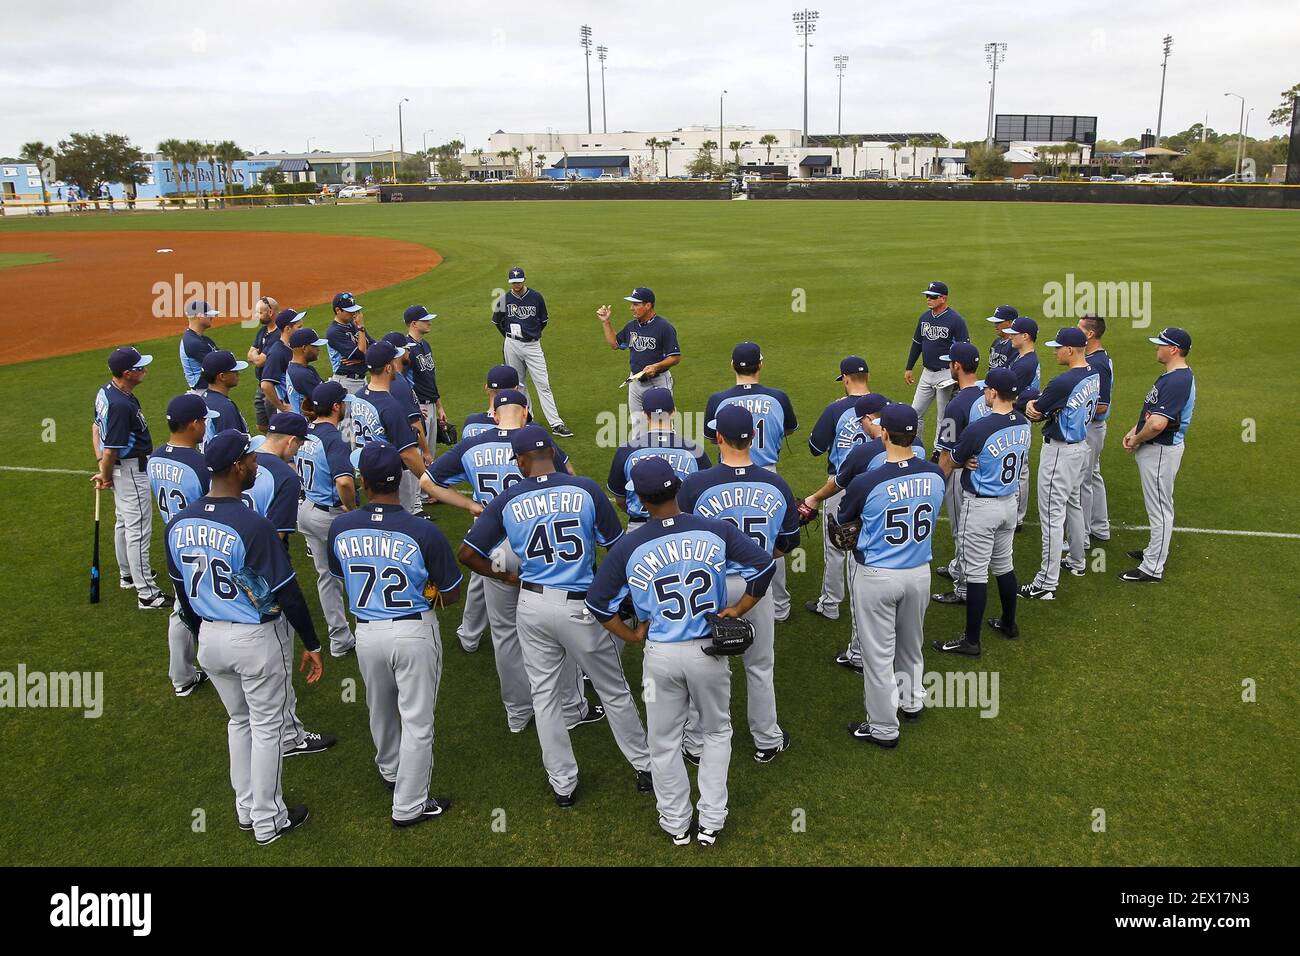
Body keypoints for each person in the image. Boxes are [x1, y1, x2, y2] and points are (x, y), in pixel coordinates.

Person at [586, 458, 776, 847]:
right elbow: (762, 566)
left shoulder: (628, 546)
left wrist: (632, 635)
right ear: (678, 489)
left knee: (664, 740)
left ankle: (675, 823)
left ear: (639, 498)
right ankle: (711, 821)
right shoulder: (714, 528)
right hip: (709, 650)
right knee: (717, 730)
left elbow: (599, 604)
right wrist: (738, 610)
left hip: (660, 656)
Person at [460, 425, 651, 807]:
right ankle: (645, 766)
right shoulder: (585, 488)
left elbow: (467, 554)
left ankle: (563, 785)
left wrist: (508, 576)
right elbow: (617, 548)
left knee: (544, 696)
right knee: (613, 689)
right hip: (580, 605)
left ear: (520, 461)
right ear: (552, 451)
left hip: (531, 606)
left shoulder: (508, 498)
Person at [166, 430, 325, 845]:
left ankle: (246, 807)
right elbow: (287, 590)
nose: (256, 465)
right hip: (254, 637)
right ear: (237, 467)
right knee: (268, 727)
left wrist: (203, 632)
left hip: (210, 639)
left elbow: (182, 592)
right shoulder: (251, 523)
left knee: (240, 722)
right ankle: (268, 819)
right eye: (251, 460)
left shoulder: (180, 522)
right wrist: (311, 642)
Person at [423, 390, 592, 734]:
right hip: (538, 545)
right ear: (527, 412)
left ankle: (518, 712)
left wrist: (470, 507)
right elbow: (572, 482)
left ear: (495, 413)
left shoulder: (473, 443)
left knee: (504, 632)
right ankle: (570, 708)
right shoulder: (538, 442)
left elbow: (427, 481)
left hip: (494, 549)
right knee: (557, 626)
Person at [329, 442, 462, 827]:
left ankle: (390, 770)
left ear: (363, 481)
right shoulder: (424, 530)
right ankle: (409, 806)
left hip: (366, 634)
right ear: (401, 478)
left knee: (381, 709)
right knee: (417, 721)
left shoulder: (341, 526)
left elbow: (341, 577)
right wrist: (430, 591)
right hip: (412, 630)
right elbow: (451, 591)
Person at [678, 405, 801, 765]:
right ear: (752, 438)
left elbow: (683, 539)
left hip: (708, 587)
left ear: (718, 437)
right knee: (760, 665)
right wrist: (762, 556)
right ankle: (767, 738)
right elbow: (787, 542)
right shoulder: (776, 484)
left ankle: (699, 744)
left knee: (705, 667)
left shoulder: (696, 485)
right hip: (756, 585)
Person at [839, 404, 945, 747]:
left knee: (878, 655)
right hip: (918, 572)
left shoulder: (867, 481)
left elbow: (844, 520)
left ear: (883, 433)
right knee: (911, 644)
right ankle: (912, 700)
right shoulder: (934, 474)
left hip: (878, 575)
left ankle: (884, 728)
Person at [932, 369, 1031, 655]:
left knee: (975, 574)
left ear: (993, 393)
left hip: (981, 507)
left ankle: (971, 640)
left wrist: (966, 463)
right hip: (1009, 503)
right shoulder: (1024, 423)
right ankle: (1009, 624)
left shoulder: (979, 428)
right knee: (1004, 566)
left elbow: (954, 459)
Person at [703, 342, 799, 621]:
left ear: (732, 365)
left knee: (723, 538)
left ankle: (722, 602)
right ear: (761, 364)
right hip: (768, 474)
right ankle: (779, 606)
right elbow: (788, 429)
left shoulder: (717, 399)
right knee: (772, 543)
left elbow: (712, 437)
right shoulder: (778, 397)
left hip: (724, 475)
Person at [1020, 328, 1101, 600]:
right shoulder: (1094, 373)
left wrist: (1033, 405)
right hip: (1080, 448)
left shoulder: (1063, 382)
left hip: (1060, 453)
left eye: (1058, 347)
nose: (1055, 351)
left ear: (1070, 350)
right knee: (1073, 504)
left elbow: (1035, 412)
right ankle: (1077, 563)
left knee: (1052, 517)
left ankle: (1046, 583)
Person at [147, 394, 219, 695]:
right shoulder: (200, 465)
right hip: (201, 542)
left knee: (181, 607)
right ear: (192, 424)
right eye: (203, 420)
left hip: (174, 538)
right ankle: (215, 671)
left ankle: (182, 676)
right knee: (211, 607)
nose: (205, 426)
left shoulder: (156, 456)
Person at [453, 364, 522, 654]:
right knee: (510, 580)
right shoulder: (526, 430)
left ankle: (469, 634)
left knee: (480, 574)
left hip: (483, 514)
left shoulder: (471, 425)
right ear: (517, 392)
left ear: (486, 389)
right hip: (519, 520)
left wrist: (470, 502)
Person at [92, 347, 168, 609]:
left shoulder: (107, 392)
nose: (144, 370)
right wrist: (105, 472)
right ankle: (147, 593)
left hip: (119, 468)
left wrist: (103, 467)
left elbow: (95, 429)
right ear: (127, 373)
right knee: (138, 530)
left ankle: (128, 575)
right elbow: (111, 447)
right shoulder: (120, 404)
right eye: (140, 367)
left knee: (123, 522)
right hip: (130, 471)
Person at [1120, 328, 1195, 583]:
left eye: (1161, 344)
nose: (1157, 348)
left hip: (1160, 450)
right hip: (1157, 448)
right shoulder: (1174, 376)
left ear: (1174, 349)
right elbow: (1150, 414)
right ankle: (1154, 551)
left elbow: (1158, 425)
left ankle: (1152, 567)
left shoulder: (1176, 380)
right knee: (1159, 506)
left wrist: (1138, 439)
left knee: (1160, 509)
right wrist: (1134, 432)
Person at [804, 355, 871, 622]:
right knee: (866, 546)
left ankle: (830, 605)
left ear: (845, 379)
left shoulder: (835, 410)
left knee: (835, 546)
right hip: (878, 486)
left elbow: (814, 447)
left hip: (839, 486)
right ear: (868, 376)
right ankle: (864, 603)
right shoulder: (885, 405)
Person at [294, 382, 358, 657]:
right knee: (357, 571)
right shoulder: (333, 438)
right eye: (343, 402)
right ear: (335, 407)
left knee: (326, 576)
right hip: (329, 516)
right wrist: (352, 509)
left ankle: (340, 640)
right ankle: (368, 630)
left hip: (306, 508)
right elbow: (344, 481)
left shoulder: (304, 432)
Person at [607, 388, 711, 529]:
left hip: (640, 529)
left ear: (644, 414)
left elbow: (620, 499)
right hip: (685, 528)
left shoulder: (626, 451)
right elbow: (706, 494)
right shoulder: (694, 451)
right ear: (674, 411)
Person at [930, 343, 984, 607]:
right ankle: (957, 567)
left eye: (949, 362)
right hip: (985, 472)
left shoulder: (956, 403)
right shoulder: (989, 393)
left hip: (960, 473)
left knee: (960, 531)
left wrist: (937, 483)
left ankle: (962, 587)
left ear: (957, 366)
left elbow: (946, 452)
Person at [494, 268, 572, 437]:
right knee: (518, 383)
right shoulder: (504, 299)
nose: (516, 284)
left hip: (532, 345)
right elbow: (497, 322)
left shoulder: (536, 297)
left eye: (519, 281)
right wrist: (509, 338)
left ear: (524, 280)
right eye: (514, 282)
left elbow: (543, 321)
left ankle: (556, 423)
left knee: (543, 384)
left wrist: (531, 334)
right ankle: (527, 419)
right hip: (511, 343)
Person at [351, 341, 428, 512]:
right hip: (391, 475)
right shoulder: (390, 406)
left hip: (368, 471)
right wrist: (427, 480)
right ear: (388, 368)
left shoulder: (358, 396)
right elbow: (407, 454)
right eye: (394, 361)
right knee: (400, 521)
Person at [903, 281, 969, 452]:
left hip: (946, 374)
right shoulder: (924, 318)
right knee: (915, 412)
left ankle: (939, 451)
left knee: (944, 416)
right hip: (927, 373)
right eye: (927, 296)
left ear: (943, 298)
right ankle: (915, 449)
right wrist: (909, 367)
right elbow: (917, 343)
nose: (928, 299)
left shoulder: (956, 320)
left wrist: (958, 377)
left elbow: (964, 350)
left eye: (932, 296)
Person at [595, 287, 681, 419]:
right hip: (635, 381)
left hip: (658, 382)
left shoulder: (664, 327)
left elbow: (675, 357)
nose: (631, 308)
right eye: (631, 304)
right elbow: (615, 344)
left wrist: (656, 366)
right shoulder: (631, 326)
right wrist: (606, 322)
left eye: (636, 304)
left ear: (648, 305)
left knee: (661, 425)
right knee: (637, 426)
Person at [380, 332, 434, 513]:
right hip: (407, 446)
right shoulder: (399, 383)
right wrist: (425, 451)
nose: (409, 353)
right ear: (398, 353)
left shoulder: (391, 381)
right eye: (407, 350)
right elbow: (414, 422)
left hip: (392, 448)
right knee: (406, 501)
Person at [1001, 316, 1041, 529]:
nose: (1010, 336)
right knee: (1019, 467)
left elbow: (1008, 393)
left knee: (1020, 468)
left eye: (1014, 333)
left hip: (1018, 418)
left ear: (1025, 336)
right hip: (1018, 416)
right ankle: (1016, 515)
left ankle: (1017, 517)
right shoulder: (1022, 357)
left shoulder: (1026, 363)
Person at [1079, 315, 1114, 547]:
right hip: (1096, 427)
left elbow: (1102, 404)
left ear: (1090, 334)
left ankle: (1081, 536)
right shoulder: (1098, 357)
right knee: (1093, 475)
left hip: (1091, 427)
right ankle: (1101, 527)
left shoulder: (1097, 363)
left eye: (1079, 327)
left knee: (1083, 480)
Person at [403, 305, 450, 457]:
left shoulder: (425, 345)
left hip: (430, 405)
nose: (429, 322)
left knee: (431, 452)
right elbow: (401, 382)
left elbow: (430, 379)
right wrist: (412, 407)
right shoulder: (406, 350)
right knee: (421, 453)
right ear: (414, 324)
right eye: (425, 320)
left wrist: (439, 407)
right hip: (419, 408)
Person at [259, 308, 302, 417]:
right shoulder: (277, 352)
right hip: (291, 409)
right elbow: (265, 385)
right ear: (288, 329)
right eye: (299, 327)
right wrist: (282, 407)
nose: (302, 330)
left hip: (300, 405)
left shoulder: (293, 346)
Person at [200, 351, 249, 442]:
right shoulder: (224, 408)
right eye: (234, 371)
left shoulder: (205, 398)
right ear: (222, 376)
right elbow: (231, 446)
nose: (238, 374)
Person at [247, 295, 279, 433]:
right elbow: (250, 354)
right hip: (261, 384)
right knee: (262, 426)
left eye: (260, 312)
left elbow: (260, 361)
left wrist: (256, 357)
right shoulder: (263, 331)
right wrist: (256, 356)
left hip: (272, 385)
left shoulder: (277, 335)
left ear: (270, 313)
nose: (257, 316)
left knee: (275, 427)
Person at [286, 328, 328, 417]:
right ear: (304, 348)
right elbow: (325, 401)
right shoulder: (302, 374)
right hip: (305, 425)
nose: (318, 349)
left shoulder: (297, 368)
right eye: (315, 346)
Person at [180, 300, 220, 391]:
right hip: (202, 392)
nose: (212, 317)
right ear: (199, 316)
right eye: (208, 314)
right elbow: (218, 364)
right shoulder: (193, 343)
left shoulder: (201, 339)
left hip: (208, 390)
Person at [985, 304, 1019, 371]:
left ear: (1010, 323)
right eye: (995, 322)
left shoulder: (1015, 345)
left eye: (999, 322)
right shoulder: (995, 342)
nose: (995, 325)